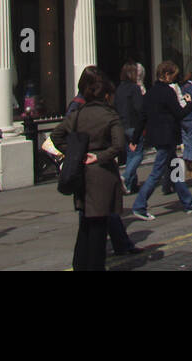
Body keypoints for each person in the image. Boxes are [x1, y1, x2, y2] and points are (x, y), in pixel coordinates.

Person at [52, 69, 127, 270]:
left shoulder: (77, 115)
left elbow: (55, 137)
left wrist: (75, 153)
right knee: (98, 228)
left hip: (82, 176)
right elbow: (119, 145)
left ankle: (80, 265)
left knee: (85, 225)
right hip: (102, 175)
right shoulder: (110, 115)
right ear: (106, 95)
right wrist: (100, 156)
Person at [64, 66, 139, 257]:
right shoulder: (80, 107)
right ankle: (109, 249)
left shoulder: (86, 108)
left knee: (100, 216)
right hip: (94, 171)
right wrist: (78, 153)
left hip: (93, 171)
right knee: (93, 221)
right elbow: (64, 135)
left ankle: (120, 244)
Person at [130, 61, 192, 220]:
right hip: (167, 137)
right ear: (166, 75)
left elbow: (142, 117)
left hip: (157, 137)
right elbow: (179, 113)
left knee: (175, 169)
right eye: (173, 75)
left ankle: (188, 202)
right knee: (156, 173)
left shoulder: (150, 93)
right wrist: (190, 103)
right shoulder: (168, 92)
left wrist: (135, 139)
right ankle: (139, 205)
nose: (174, 79)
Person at [116, 62, 147, 192]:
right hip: (133, 125)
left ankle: (130, 185)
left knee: (130, 154)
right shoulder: (135, 89)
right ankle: (125, 176)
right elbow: (139, 108)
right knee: (139, 154)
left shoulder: (119, 89)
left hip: (122, 125)